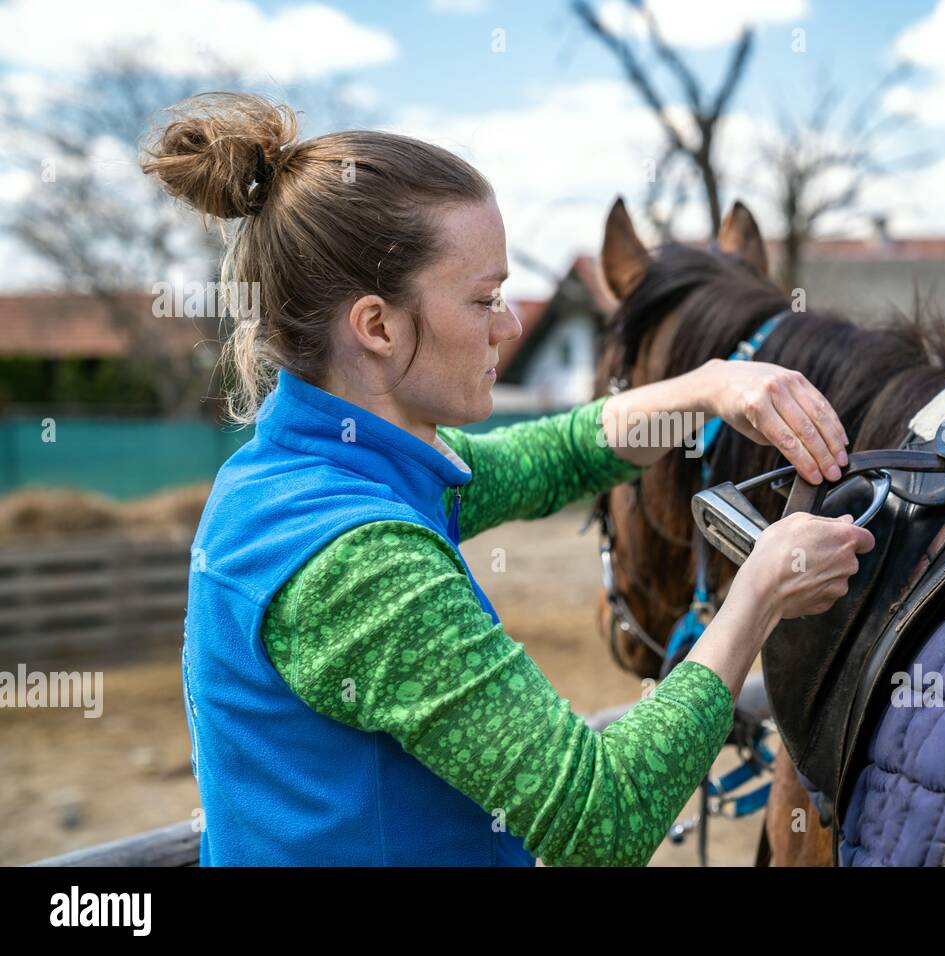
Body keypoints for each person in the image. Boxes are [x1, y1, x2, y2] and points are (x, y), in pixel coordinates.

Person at [143, 92, 874, 866]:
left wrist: (710, 386)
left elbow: (557, 454)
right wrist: (760, 593)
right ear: (378, 327)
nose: (511, 324)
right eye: (484, 298)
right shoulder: (357, 562)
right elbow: (601, 815)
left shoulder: (303, 474)